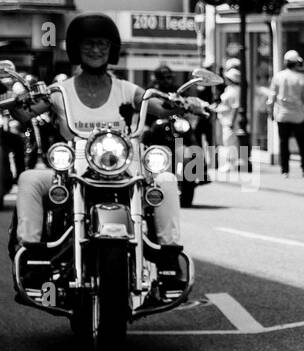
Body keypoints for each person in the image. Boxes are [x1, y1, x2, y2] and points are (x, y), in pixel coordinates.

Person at [8, 13, 202, 262]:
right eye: (88, 44)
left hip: (125, 168)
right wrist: (13, 96)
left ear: (112, 49)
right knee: (30, 179)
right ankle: (30, 253)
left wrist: (185, 102)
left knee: (165, 179)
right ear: (77, 48)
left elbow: (161, 106)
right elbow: (24, 115)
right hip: (73, 169)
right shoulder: (59, 91)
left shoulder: (127, 89)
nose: (96, 50)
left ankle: (169, 255)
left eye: (102, 44)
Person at [268, 49, 304, 176]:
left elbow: (271, 96)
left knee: (283, 143)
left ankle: (285, 170)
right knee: (302, 143)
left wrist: (271, 112)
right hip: (299, 115)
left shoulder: (278, 76)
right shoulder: (301, 78)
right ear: (296, 63)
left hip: (282, 115)